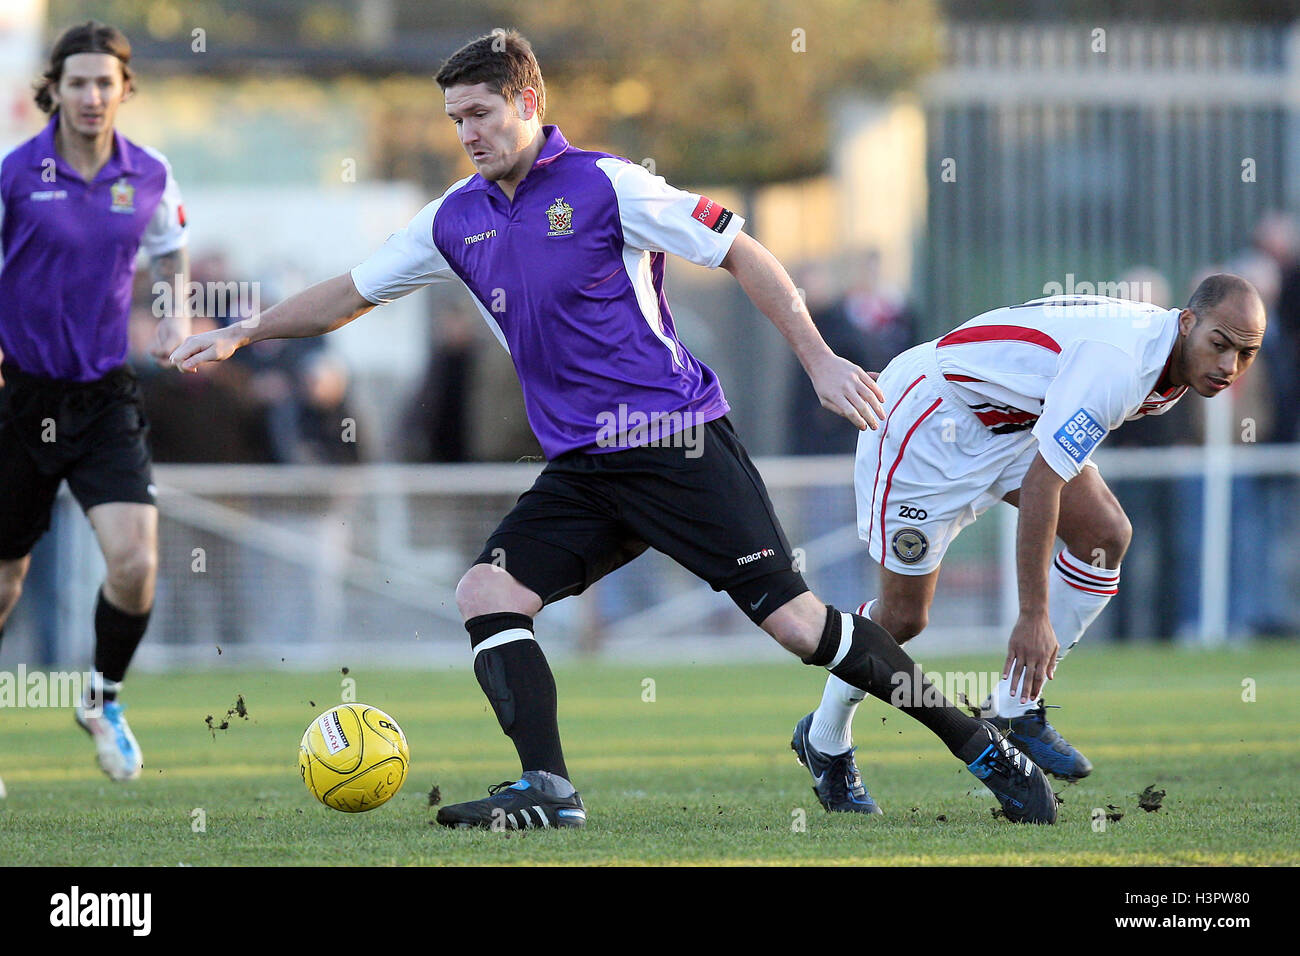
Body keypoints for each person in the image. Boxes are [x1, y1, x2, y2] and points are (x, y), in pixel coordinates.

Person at [171, 29, 1057, 828]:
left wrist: (821, 361)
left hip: (676, 442)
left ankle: (978, 742)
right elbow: (350, 292)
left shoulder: (607, 184)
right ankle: (549, 790)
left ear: (527, 102)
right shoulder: (455, 218)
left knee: (796, 627)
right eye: (453, 119)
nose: (466, 133)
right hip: (584, 468)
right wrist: (248, 330)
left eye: (479, 113)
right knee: (488, 596)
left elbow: (742, 248)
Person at [793, 275, 1265, 811]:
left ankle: (1014, 710)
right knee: (904, 618)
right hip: (929, 422)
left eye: (1246, 354)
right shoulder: (1122, 365)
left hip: (1010, 425)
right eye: (1220, 344)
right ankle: (825, 741)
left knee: (1104, 536)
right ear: (1187, 322)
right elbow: (1046, 482)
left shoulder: (1170, 363)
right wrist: (1033, 615)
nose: (1229, 365)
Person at [0, 21, 189, 788]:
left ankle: (101, 698)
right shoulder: (15, 173)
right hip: (21, 395)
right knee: (5, 578)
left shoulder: (148, 173)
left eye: (104, 82)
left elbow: (169, 251)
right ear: (56, 88)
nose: (90, 95)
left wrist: (174, 312)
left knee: (137, 563)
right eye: (77, 82)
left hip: (106, 395)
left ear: (123, 88)